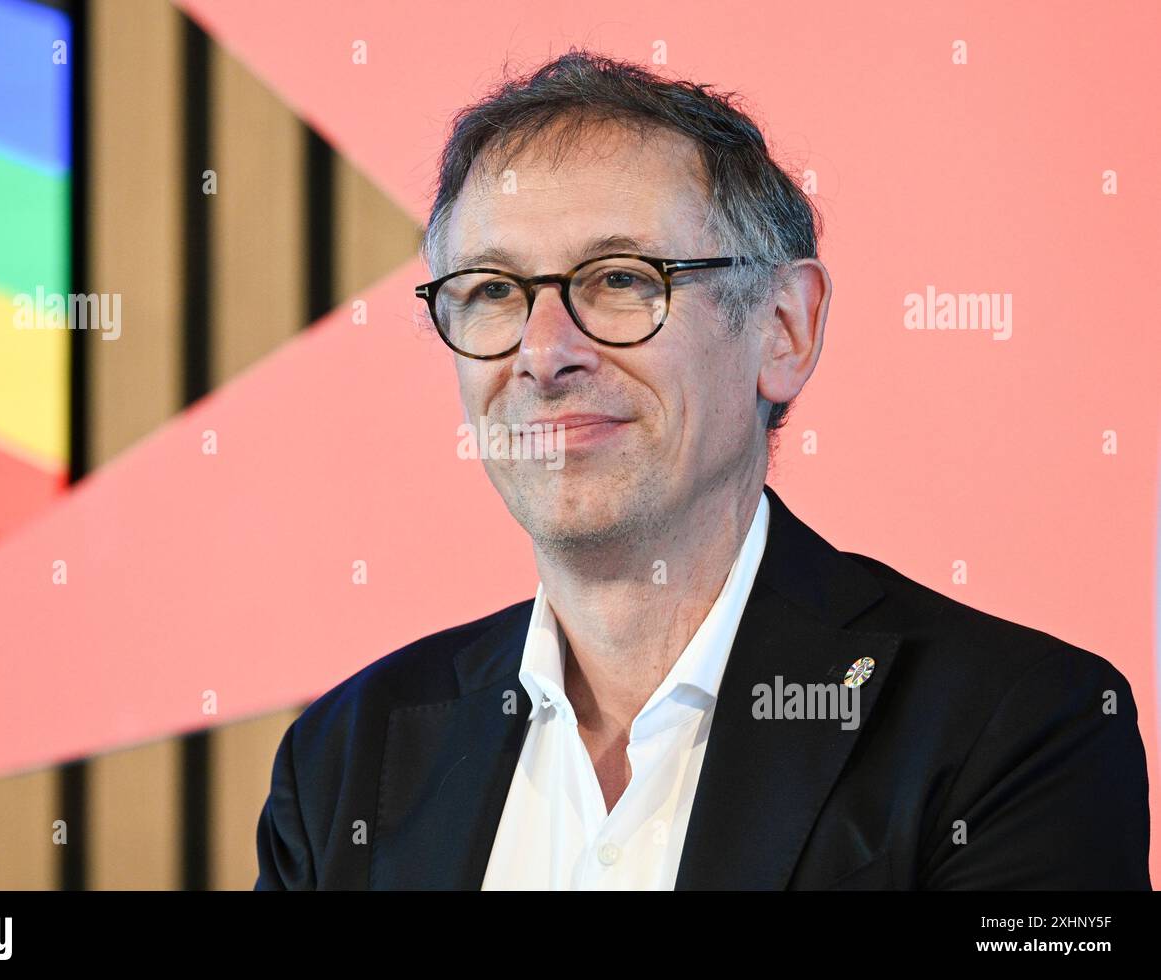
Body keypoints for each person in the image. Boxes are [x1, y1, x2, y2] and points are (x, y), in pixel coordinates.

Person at [255, 49, 1150, 890]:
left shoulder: (1014, 730)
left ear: (784, 329)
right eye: (492, 290)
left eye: (619, 279)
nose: (544, 353)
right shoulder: (343, 760)